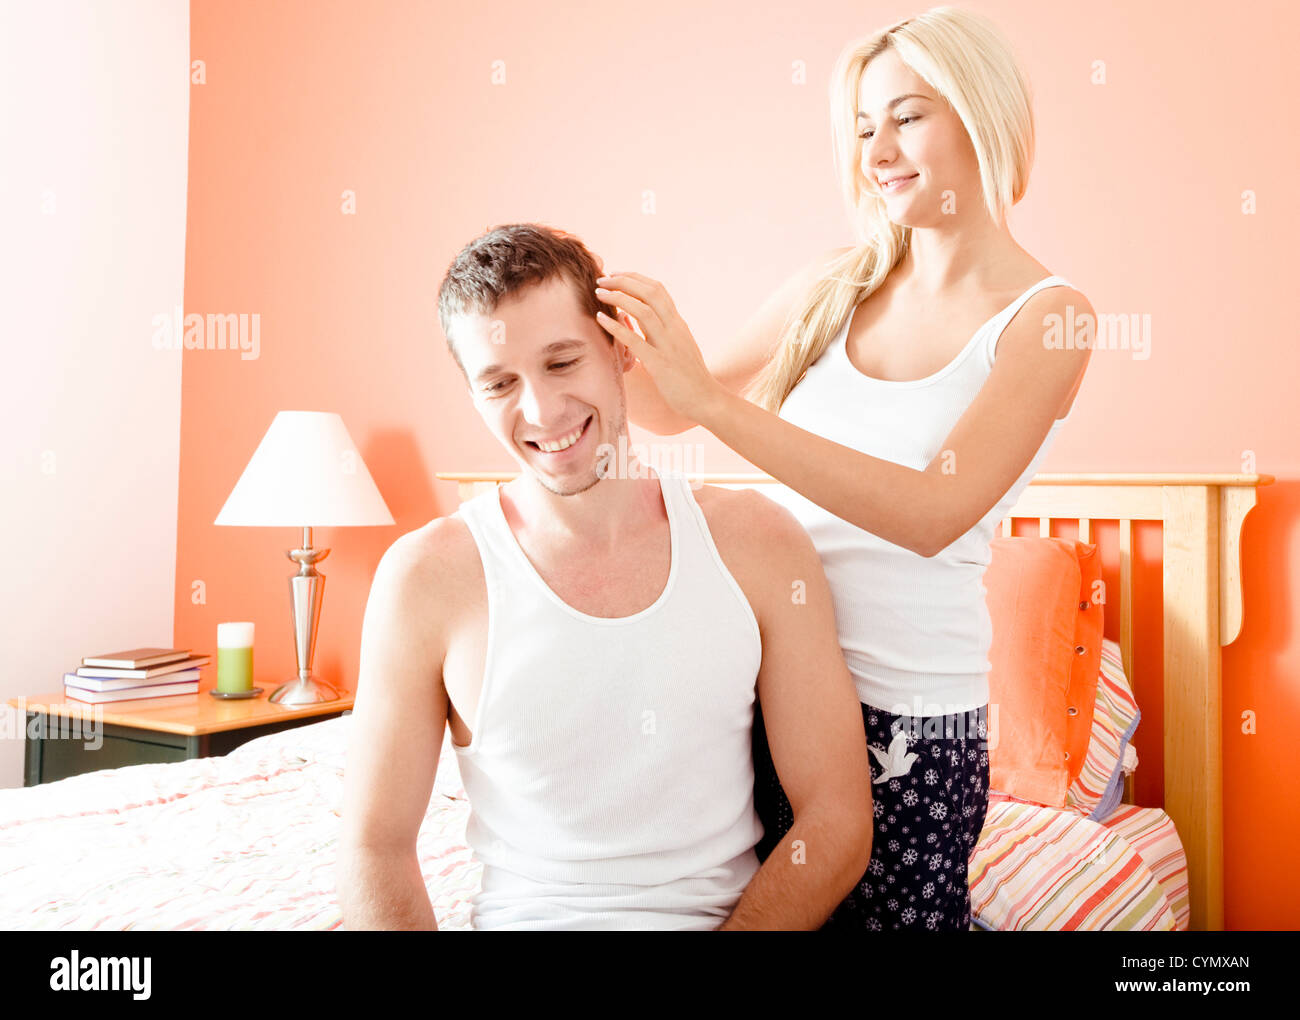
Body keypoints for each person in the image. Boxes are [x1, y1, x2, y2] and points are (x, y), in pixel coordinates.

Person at [597, 7, 1095, 931]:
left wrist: (715, 409)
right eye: (864, 127)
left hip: (908, 720)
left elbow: (931, 509)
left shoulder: (1045, 319)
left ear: (982, 115)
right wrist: (617, 336)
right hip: (759, 686)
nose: (877, 152)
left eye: (907, 117)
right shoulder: (835, 285)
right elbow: (675, 403)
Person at [336, 223, 873, 931]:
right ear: (473, 392)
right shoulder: (427, 578)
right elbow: (375, 849)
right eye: (500, 382)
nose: (542, 411)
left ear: (618, 348)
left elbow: (836, 819)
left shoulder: (758, 544)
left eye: (562, 362)